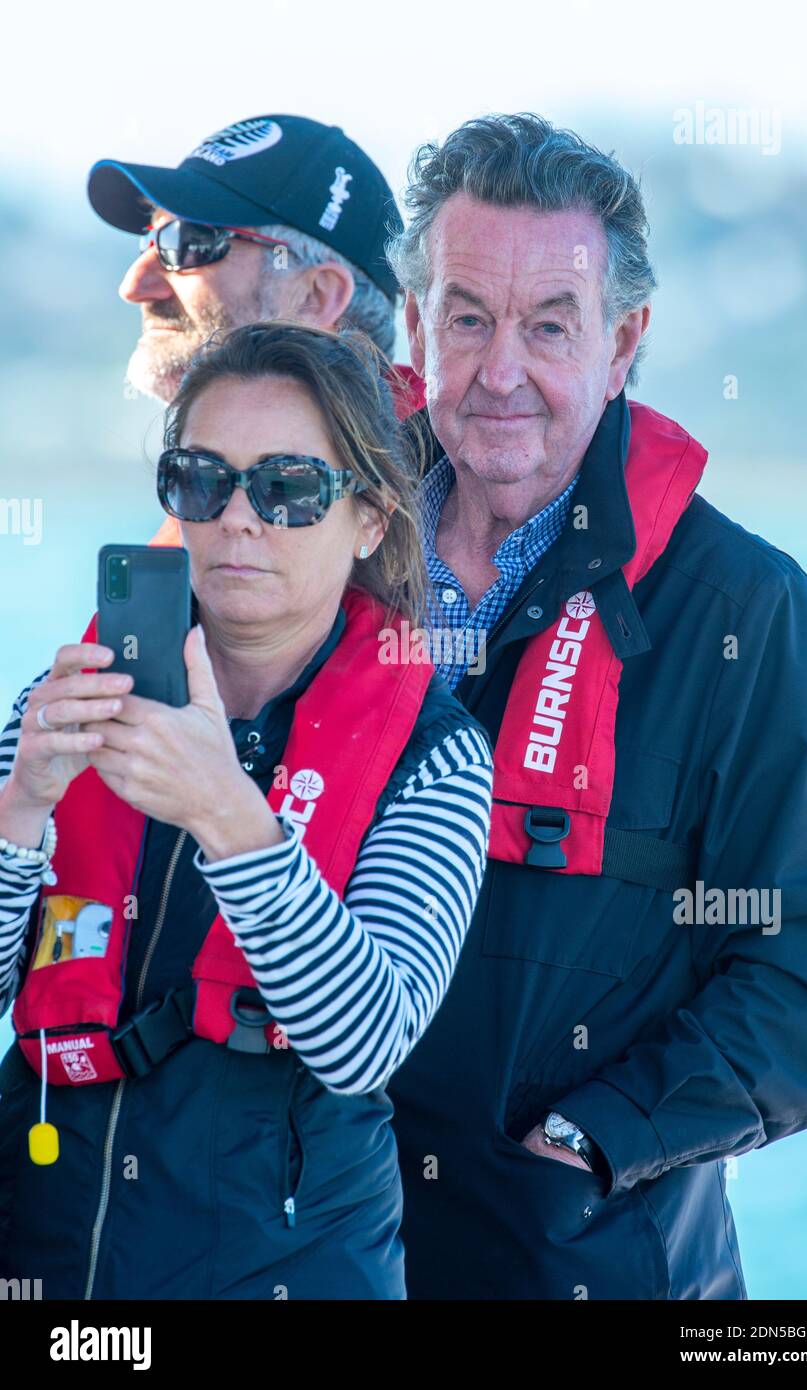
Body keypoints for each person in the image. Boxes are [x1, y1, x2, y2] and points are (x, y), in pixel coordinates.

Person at [382, 113, 807, 1300]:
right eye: (468, 318)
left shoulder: (747, 610)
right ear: (412, 326)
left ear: (623, 342)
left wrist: (597, 1140)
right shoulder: (321, 558)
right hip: (326, 1255)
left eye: (550, 324)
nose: (502, 370)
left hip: (591, 1267)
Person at [0, 322, 493, 1300]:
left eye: (289, 487)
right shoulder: (69, 704)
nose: (239, 518)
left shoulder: (435, 757)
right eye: (202, 479)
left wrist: (233, 821)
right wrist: (20, 812)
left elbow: (364, 1039)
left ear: (370, 519)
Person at [88, 113, 426, 546]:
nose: (134, 286)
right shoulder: (210, 493)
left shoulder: (452, 510)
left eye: (185, 242)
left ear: (315, 297)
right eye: (148, 243)